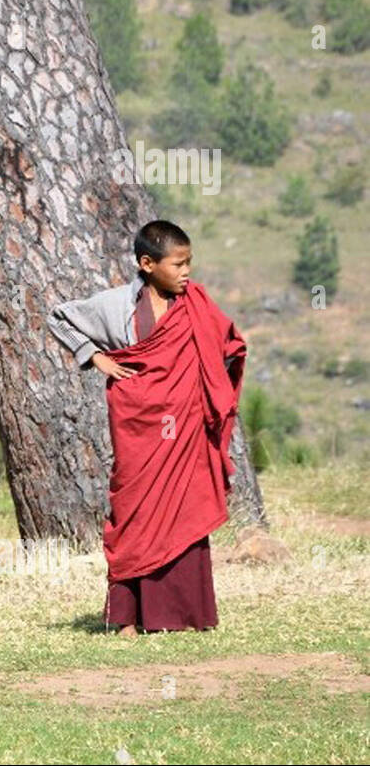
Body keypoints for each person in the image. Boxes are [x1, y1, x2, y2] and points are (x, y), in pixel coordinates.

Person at [47, 219, 246, 636]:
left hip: (185, 426)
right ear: (147, 263)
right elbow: (59, 317)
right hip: (137, 422)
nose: (186, 272)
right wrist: (94, 356)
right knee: (133, 507)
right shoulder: (116, 304)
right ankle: (126, 617)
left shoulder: (195, 303)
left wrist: (205, 379)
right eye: (178, 264)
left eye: (189, 263)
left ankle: (183, 615)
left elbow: (229, 344)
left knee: (184, 507)